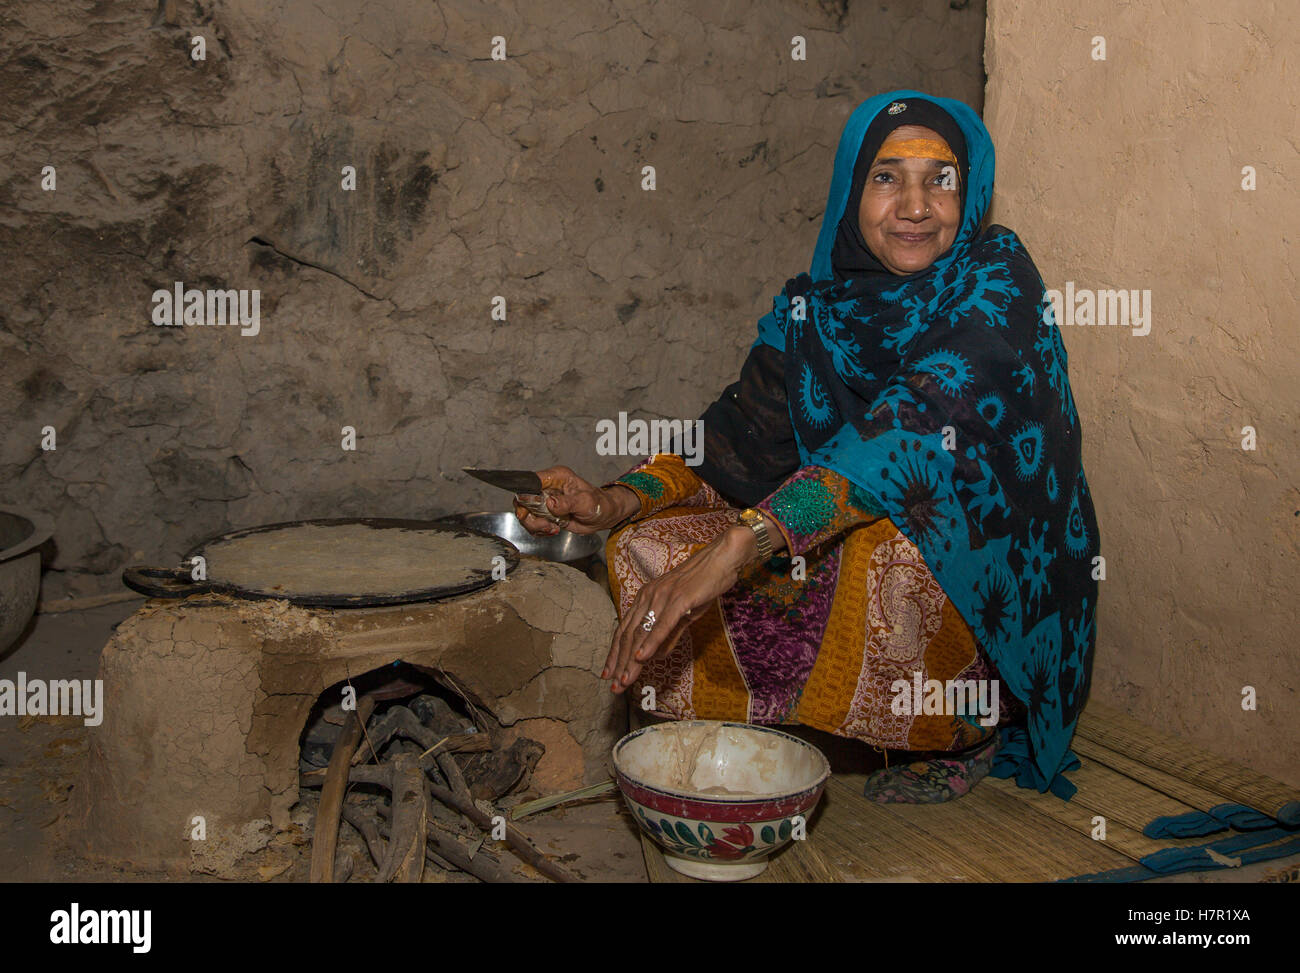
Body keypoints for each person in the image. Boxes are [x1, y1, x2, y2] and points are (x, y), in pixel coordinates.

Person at [514, 90, 1100, 802]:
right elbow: (728, 444)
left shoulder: (996, 283)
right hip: (832, 522)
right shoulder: (816, 312)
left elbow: (905, 440)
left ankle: (965, 728)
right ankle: (776, 721)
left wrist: (739, 545)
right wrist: (610, 502)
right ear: (852, 188)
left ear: (968, 191)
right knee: (653, 547)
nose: (915, 204)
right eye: (887, 176)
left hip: (985, 557)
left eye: (940, 178)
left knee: (891, 542)